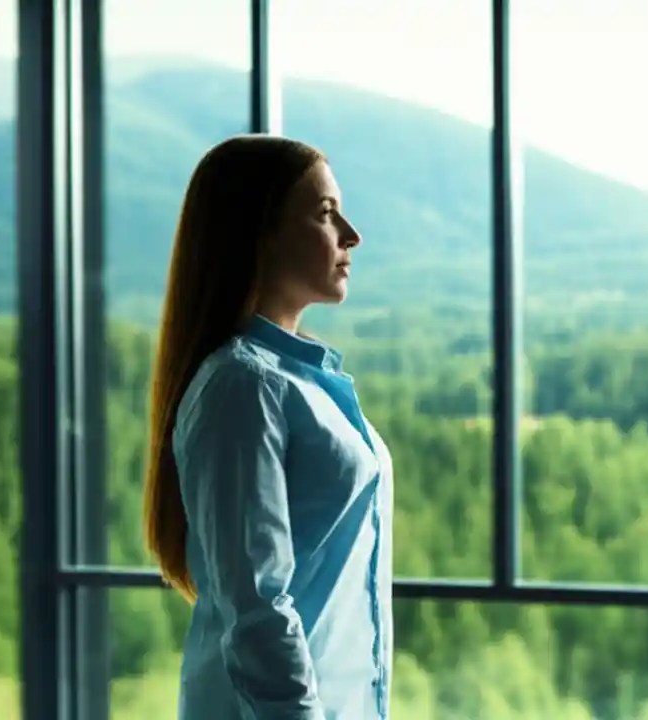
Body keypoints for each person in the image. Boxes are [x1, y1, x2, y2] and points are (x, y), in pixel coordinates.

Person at [141, 135, 394, 719]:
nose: (351, 235)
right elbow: (257, 607)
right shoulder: (242, 385)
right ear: (259, 232)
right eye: (326, 214)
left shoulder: (294, 380)